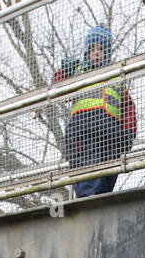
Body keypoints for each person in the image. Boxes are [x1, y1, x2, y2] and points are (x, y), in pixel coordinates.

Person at [55, 25, 136, 196]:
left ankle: (101, 199)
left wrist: (129, 132)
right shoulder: (78, 72)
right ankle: (90, 201)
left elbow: (128, 107)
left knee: (109, 169)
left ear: (107, 52)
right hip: (82, 126)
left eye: (101, 49)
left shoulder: (116, 76)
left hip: (111, 130)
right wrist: (64, 72)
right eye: (93, 49)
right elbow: (59, 92)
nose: (97, 53)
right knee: (85, 167)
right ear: (87, 51)